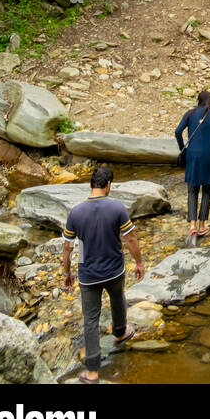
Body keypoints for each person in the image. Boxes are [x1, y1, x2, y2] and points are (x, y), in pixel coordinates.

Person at [62, 164, 145, 385]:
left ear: (91, 184)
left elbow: (67, 247)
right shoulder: (117, 208)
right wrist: (139, 263)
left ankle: (92, 373)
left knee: (90, 318)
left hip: (88, 275)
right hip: (114, 270)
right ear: (108, 184)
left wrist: (66, 273)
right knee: (118, 299)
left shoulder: (76, 212)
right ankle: (120, 332)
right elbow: (131, 239)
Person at [175, 89, 210, 238]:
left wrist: (182, 148)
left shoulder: (190, 114)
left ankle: (192, 226)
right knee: (207, 190)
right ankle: (202, 225)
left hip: (193, 155)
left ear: (198, 101)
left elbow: (177, 131)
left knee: (192, 189)